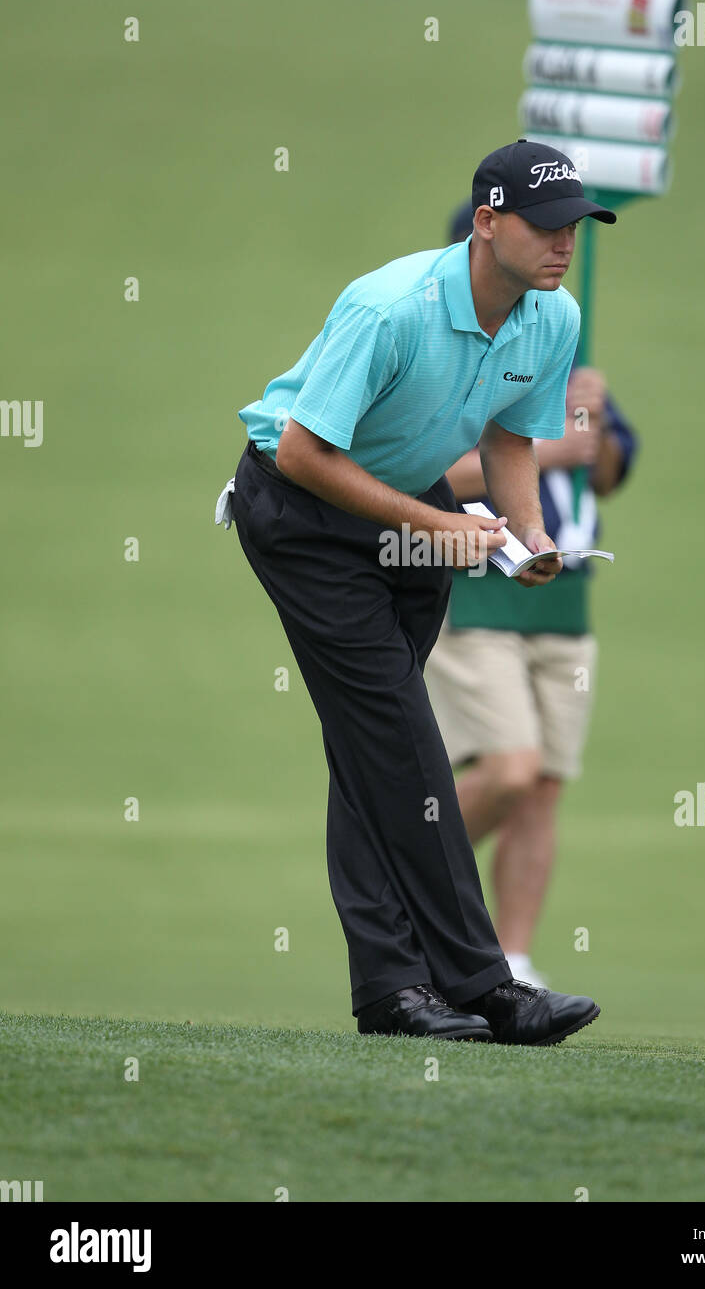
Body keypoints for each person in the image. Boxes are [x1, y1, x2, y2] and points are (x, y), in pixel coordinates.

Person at [218, 140, 616, 1044]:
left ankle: (393, 994)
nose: (566, 243)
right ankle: (486, 984)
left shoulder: (551, 316)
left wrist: (530, 534)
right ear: (487, 224)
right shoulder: (389, 307)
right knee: (404, 740)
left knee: (375, 749)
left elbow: (513, 439)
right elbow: (302, 454)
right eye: (549, 225)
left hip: (406, 507)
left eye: (577, 227)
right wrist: (441, 526)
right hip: (302, 511)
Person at [425, 199, 638, 986]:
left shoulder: (556, 344)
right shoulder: (441, 356)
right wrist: (550, 450)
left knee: (543, 786)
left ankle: (510, 961)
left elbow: (610, 468)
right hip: (479, 586)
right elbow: (432, 474)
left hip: (562, 592)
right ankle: (409, 883)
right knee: (509, 769)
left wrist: (593, 431)